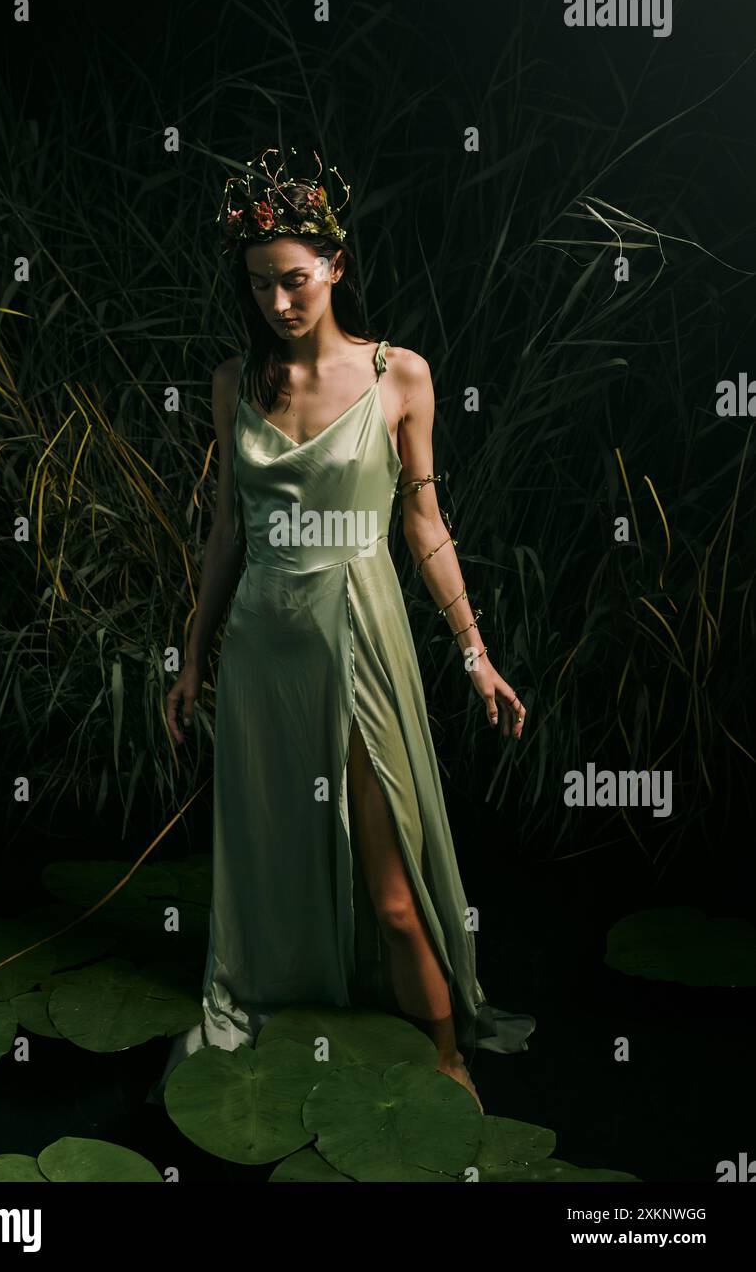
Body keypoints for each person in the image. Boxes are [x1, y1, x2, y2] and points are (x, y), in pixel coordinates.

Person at [153, 147, 535, 1114]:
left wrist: (476, 655)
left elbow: (424, 525)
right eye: (259, 285)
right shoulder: (236, 382)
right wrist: (193, 659)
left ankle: (446, 1051)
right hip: (263, 648)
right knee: (274, 856)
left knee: (394, 891)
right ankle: (303, 1008)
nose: (279, 301)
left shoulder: (399, 375)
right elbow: (227, 532)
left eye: (294, 278)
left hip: (356, 636)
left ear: (334, 264)